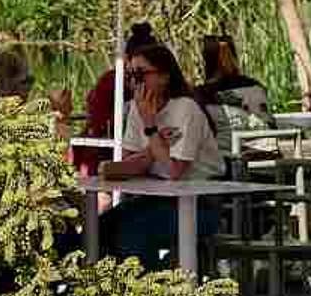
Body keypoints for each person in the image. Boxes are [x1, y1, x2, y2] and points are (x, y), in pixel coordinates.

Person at [90, 41, 215, 268]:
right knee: (98, 229)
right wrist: (152, 150)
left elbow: (174, 172)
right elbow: (125, 166)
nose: (134, 82)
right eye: (130, 75)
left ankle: (146, 288)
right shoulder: (137, 109)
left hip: (198, 204)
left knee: (131, 235)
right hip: (154, 200)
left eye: (140, 74)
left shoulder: (186, 109)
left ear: (164, 77)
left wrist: (150, 126)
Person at [73, 23, 159, 174]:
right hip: (104, 153)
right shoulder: (112, 82)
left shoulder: (157, 88)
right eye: (137, 71)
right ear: (127, 60)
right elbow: (98, 122)